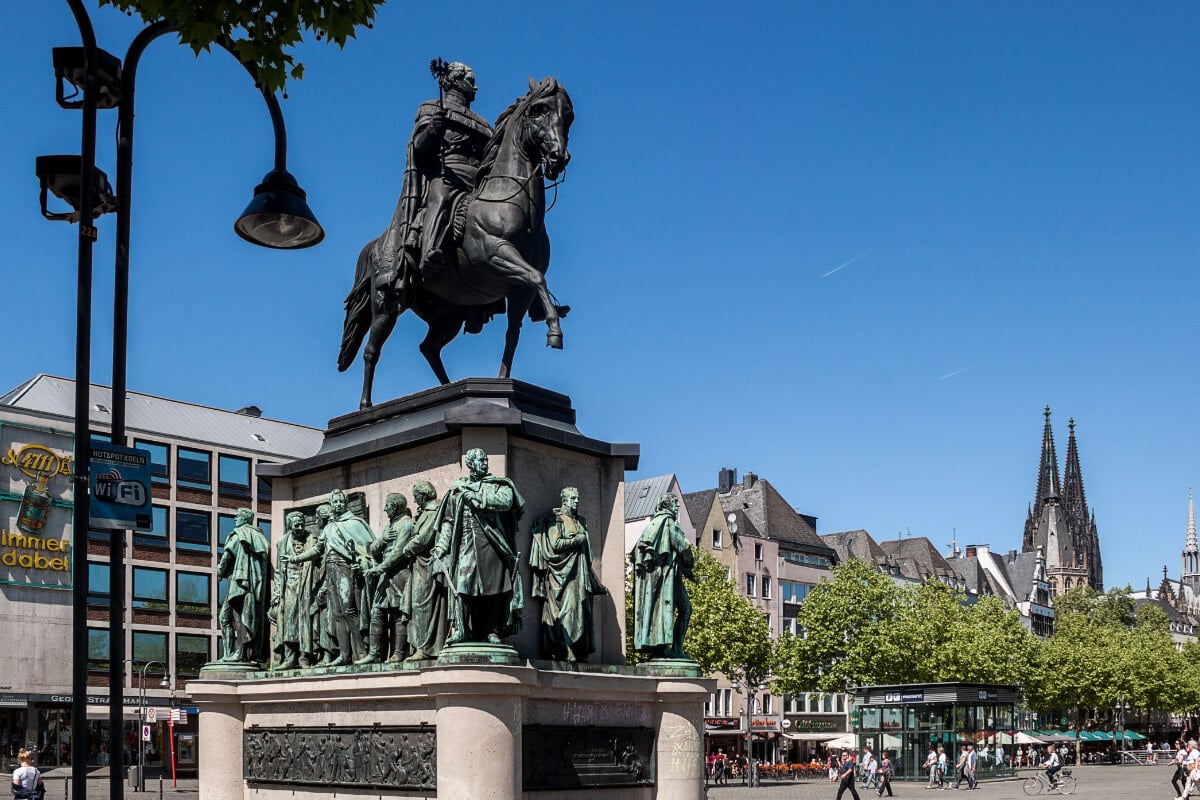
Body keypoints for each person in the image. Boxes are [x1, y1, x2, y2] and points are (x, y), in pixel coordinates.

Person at [376, 60, 494, 291]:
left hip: (478, 181)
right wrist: (433, 129)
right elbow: (419, 148)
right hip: (448, 174)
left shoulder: (484, 124)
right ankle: (428, 253)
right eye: (470, 81)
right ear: (454, 80)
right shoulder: (431, 108)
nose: (475, 87)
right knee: (440, 197)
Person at [431, 449, 525, 644]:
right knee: (463, 585)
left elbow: (506, 502)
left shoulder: (498, 485)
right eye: (481, 460)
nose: (485, 463)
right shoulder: (457, 490)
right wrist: (441, 546)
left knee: (493, 587)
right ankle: (462, 629)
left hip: (491, 542)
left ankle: (491, 631)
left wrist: (477, 498)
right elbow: (448, 521)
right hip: (465, 543)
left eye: (486, 459)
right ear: (470, 464)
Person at [294, 490, 376, 665]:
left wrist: (362, 562)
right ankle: (344, 655)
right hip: (331, 569)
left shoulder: (355, 523)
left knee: (349, 610)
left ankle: (360, 652)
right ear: (331, 505)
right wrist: (296, 558)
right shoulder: (329, 527)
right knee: (337, 613)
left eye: (341, 502)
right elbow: (317, 549)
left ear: (345, 503)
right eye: (335, 502)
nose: (338, 505)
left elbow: (369, 548)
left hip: (345, 567)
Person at [529, 487, 606, 661]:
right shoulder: (554, 519)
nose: (576, 501)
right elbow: (555, 544)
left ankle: (579, 648)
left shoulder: (581, 521)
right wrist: (577, 539)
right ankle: (565, 646)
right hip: (561, 574)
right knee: (568, 607)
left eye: (577, 498)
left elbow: (587, 553)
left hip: (579, 573)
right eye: (573, 498)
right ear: (564, 500)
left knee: (580, 607)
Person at [629, 493, 695, 658]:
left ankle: (670, 649)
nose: (677, 506)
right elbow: (683, 546)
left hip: (664, 578)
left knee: (672, 610)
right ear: (667, 505)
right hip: (668, 578)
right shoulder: (668, 522)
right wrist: (690, 562)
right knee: (685, 609)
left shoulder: (651, 524)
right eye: (675, 503)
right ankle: (675, 650)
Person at [358, 493, 415, 663]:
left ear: (396, 507)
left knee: (399, 614)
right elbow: (373, 549)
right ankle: (374, 654)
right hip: (385, 575)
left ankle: (398, 653)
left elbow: (399, 552)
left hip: (399, 574)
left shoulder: (406, 524)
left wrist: (379, 568)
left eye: (388, 506)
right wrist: (382, 539)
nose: (385, 509)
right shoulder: (389, 527)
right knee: (377, 612)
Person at [398, 481, 450, 661]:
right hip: (419, 565)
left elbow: (424, 538)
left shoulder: (433, 512)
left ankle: (425, 648)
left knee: (422, 605)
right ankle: (420, 646)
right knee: (416, 605)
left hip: (427, 565)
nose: (414, 499)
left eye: (416, 496)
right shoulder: (424, 513)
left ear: (424, 495)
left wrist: (406, 549)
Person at [216, 507, 271, 663]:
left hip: (240, 584)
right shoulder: (259, 536)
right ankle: (229, 654)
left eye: (237, 516)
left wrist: (220, 570)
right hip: (248, 585)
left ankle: (240, 654)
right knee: (226, 617)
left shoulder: (240, 533)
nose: (235, 519)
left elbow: (227, 555)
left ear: (245, 519)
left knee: (238, 618)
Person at [270, 511, 321, 669]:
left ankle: (304, 657)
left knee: (307, 621)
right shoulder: (283, 542)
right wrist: (277, 592)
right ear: (289, 526)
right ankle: (290, 658)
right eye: (296, 525)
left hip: (308, 585)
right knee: (289, 621)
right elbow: (278, 571)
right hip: (289, 587)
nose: (299, 527)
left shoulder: (312, 539)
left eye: (302, 524)